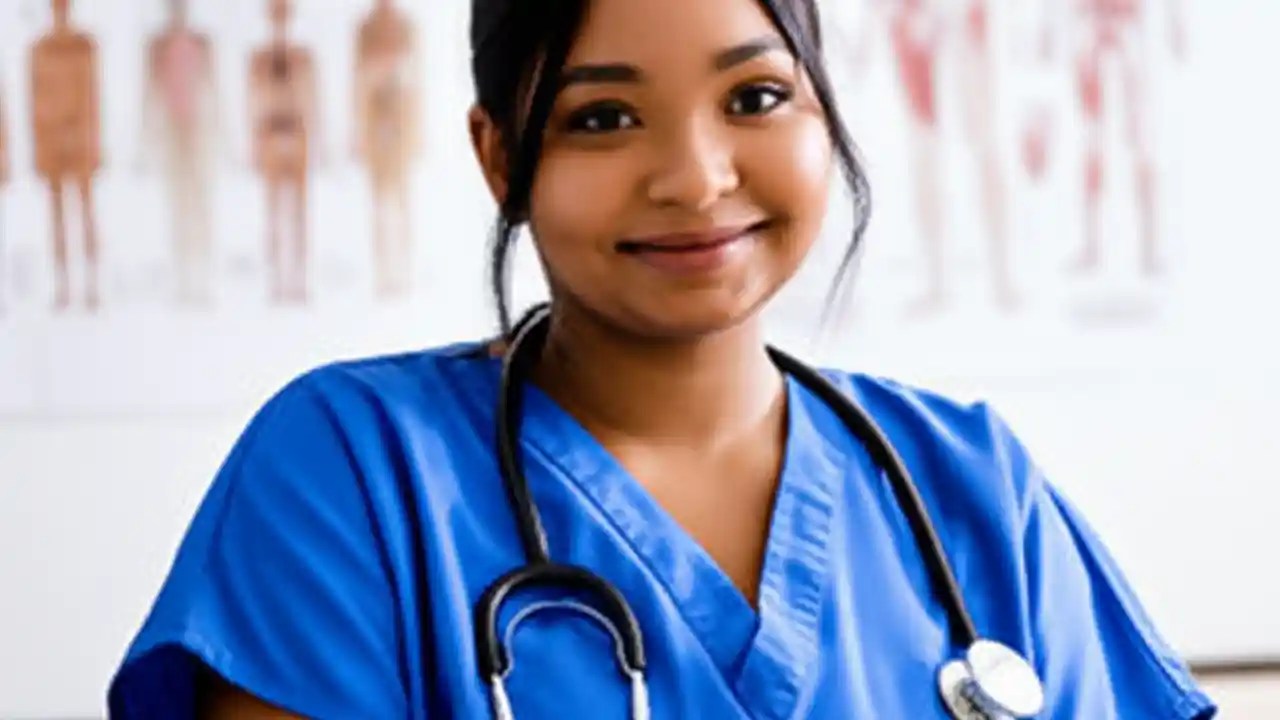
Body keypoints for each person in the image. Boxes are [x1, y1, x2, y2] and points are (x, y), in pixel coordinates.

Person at [107, 0, 1217, 717]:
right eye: (601, 118)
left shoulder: (972, 485)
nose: (693, 178)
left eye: (754, 98)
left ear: (821, 114)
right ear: (499, 155)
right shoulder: (350, 473)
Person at [140, 0, 222, 306]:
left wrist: (223, 139)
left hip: (199, 131)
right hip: (172, 131)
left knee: (201, 204)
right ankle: (183, 277)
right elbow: (149, 94)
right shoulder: (156, 47)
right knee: (179, 205)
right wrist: (146, 142)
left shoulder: (203, 43)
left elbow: (213, 89)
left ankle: (205, 276)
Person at [30, 0, 101, 311]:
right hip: (53, 141)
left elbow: (93, 95)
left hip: (81, 140)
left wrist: (90, 138)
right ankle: (64, 285)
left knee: (86, 213)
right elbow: (35, 99)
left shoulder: (84, 47)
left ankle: (92, 283)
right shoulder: (40, 50)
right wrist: (41, 145)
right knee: (57, 216)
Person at [249, 0, 318, 304]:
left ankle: (299, 279)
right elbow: (252, 102)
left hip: (298, 134)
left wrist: (318, 140)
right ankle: (278, 279)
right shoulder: (259, 60)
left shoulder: (303, 58)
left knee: (298, 212)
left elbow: (313, 100)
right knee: (274, 212)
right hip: (271, 135)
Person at [354, 0, 423, 300]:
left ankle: (404, 270)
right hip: (375, 124)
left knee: (402, 200)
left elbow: (417, 79)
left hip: (401, 124)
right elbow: (358, 81)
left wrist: (418, 130)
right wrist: (358, 131)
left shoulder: (406, 27)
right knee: (380, 201)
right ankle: (384, 272)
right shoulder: (365, 29)